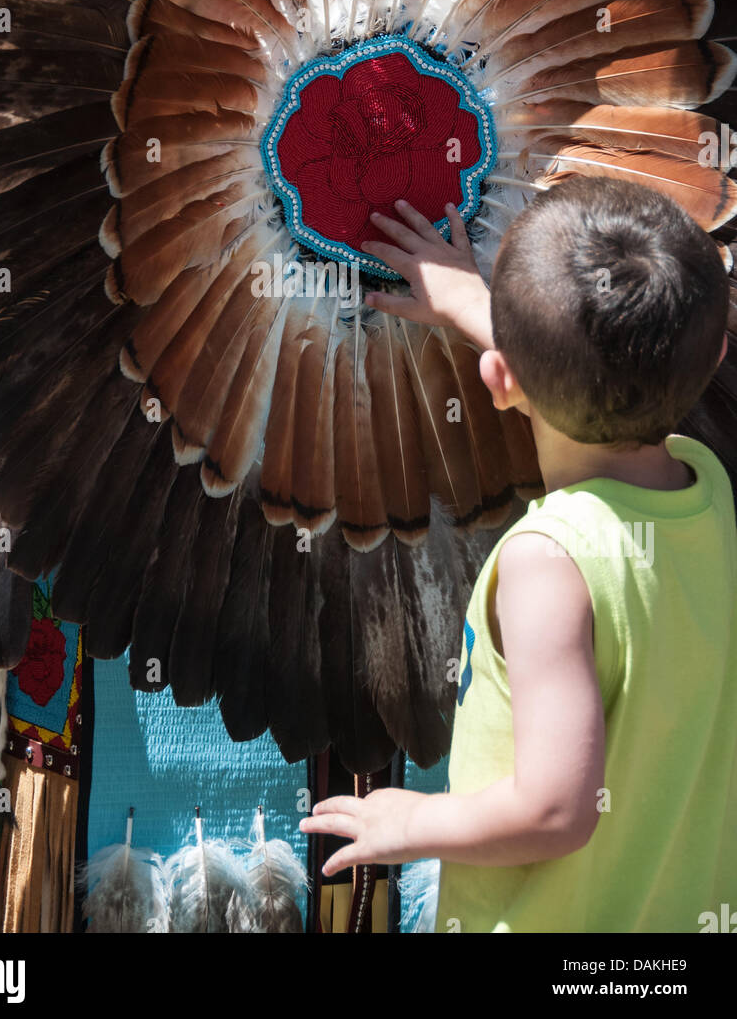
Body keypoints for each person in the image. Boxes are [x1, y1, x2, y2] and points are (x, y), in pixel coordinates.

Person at [299, 176, 737, 932]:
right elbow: (609, 368)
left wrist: (413, 824)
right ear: (717, 351)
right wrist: (473, 302)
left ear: (498, 381)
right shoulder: (707, 487)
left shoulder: (548, 563)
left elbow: (555, 810)